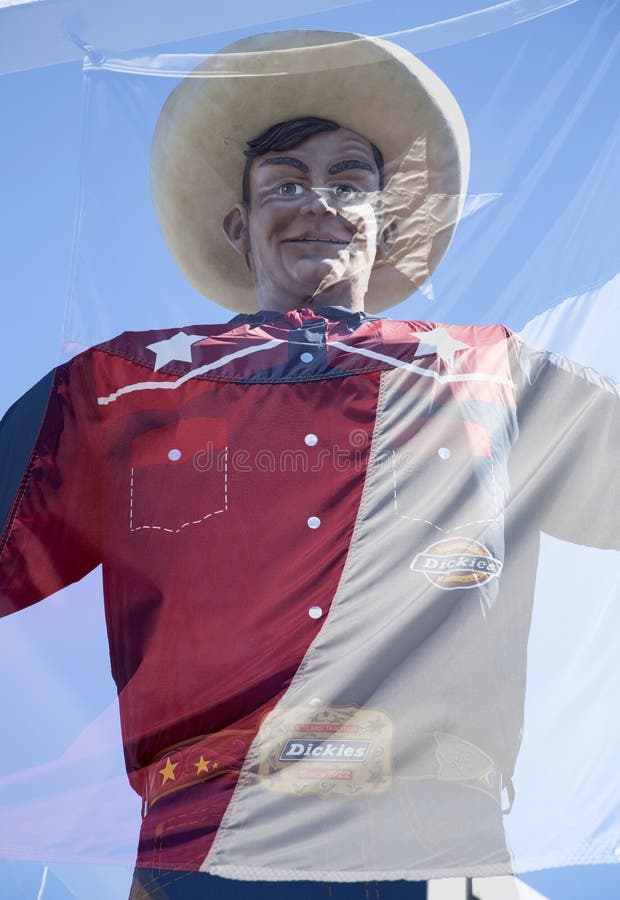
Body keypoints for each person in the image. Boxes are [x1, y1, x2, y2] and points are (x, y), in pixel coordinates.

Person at [1, 28, 618, 900]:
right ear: (239, 228)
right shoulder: (123, 385)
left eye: (349, 181)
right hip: (208, 852)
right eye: (284, 183)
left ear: (385, 225)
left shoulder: (490, 368)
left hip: (434, 842)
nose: (318, 202)